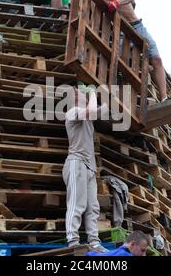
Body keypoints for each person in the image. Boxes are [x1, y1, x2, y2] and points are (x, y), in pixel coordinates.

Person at [89, 0, 168, 102]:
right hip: (121, 32)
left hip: (137, 26)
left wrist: (116, 2)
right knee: (120, 66)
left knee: (157, 59)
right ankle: (117, 99)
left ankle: (164, 97)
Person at [63, 82, 109, 253]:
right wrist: (92, 93)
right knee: (77, 203)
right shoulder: (72, 112)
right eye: (81, 93)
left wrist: (105, 98)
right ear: (75, 99)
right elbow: (92, 110)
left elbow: (101, 111)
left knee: (93, 207)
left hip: (89, 167)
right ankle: (73, 240)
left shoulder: (87, 116)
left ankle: (94, 242)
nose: (86, 95)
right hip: (76, 163)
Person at [86, 231, 151, 256]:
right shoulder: (125, 255)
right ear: (132, 244)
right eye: (142, 250)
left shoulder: (114, 252)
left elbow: (90, 254)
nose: (144, 255)